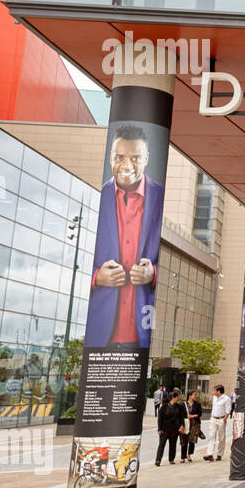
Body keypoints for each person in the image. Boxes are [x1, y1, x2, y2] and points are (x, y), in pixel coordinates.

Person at [87, 124, 165, 348]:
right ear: (111, 157)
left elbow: (167, 260)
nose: (126, 166)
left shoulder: (160, 197)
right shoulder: (96, 198)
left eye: (136, 158)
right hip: (100, 333)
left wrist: (154, 273)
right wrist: (97, 277)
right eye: (120, 157)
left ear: (147, 158)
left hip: (141, 334)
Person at [156, 391, 185, 466]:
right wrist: (159, 429)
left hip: (175, 429)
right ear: (173, 398)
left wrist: (182, 425)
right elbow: (160, 418)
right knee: (161, 445)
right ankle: (158, 460)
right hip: (164, 429)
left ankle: (171, 459)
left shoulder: (179, 407)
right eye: (177, 397)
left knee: (173, 445)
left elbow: (182, 418)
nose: (178, 398)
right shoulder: (164, 406)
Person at [204, 383, 231, 462]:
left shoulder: (226, 399)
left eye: (214, 391)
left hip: (221, 419)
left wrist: (224, 420)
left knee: (221, 438)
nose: (213, 392)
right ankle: (210, 454)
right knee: (211, 436)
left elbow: (228, 410)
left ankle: (219, 454)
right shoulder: (214, 398)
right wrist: (211, 417)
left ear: (219, 391)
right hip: (213, 419)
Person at [181, 389, 202, 461]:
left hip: (194, 424)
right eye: (194, 395)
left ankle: (189, 455)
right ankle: (183, 457)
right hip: (185, 423)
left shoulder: (197, 404)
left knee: (192, 440)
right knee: (184, 440)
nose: (196, 396)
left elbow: (200, 414)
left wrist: (192, 416)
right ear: (190, 396)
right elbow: (180, 415)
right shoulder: (183, 404)